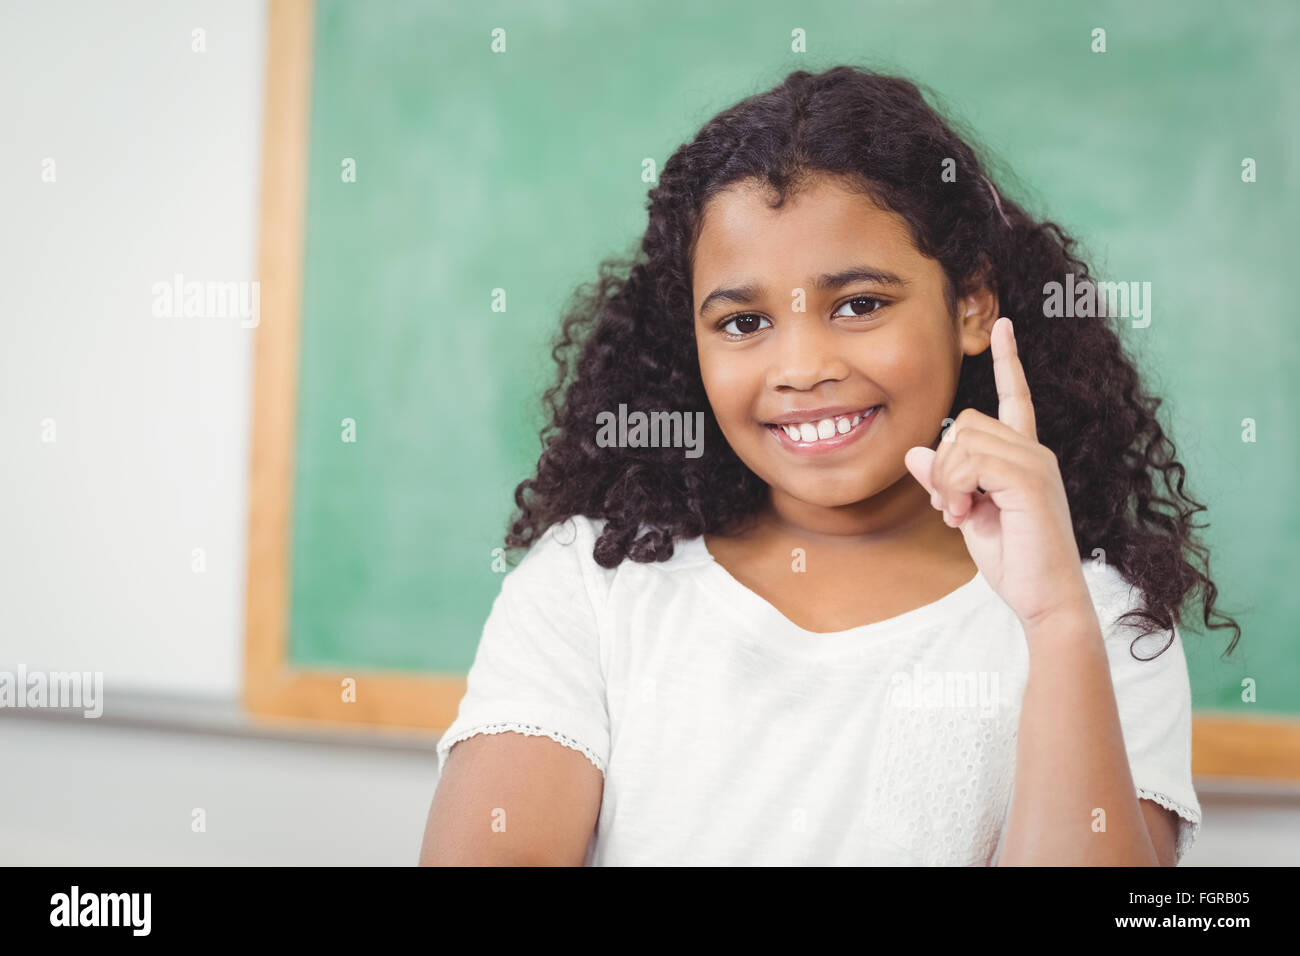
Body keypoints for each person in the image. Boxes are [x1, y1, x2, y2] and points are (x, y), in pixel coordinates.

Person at [419, 65, 1240, 866]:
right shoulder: (592, 585)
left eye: (859, 305)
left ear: (971, 305)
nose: (802, 366)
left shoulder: (1099, 619)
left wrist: (1057, 622)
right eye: (743, 322)